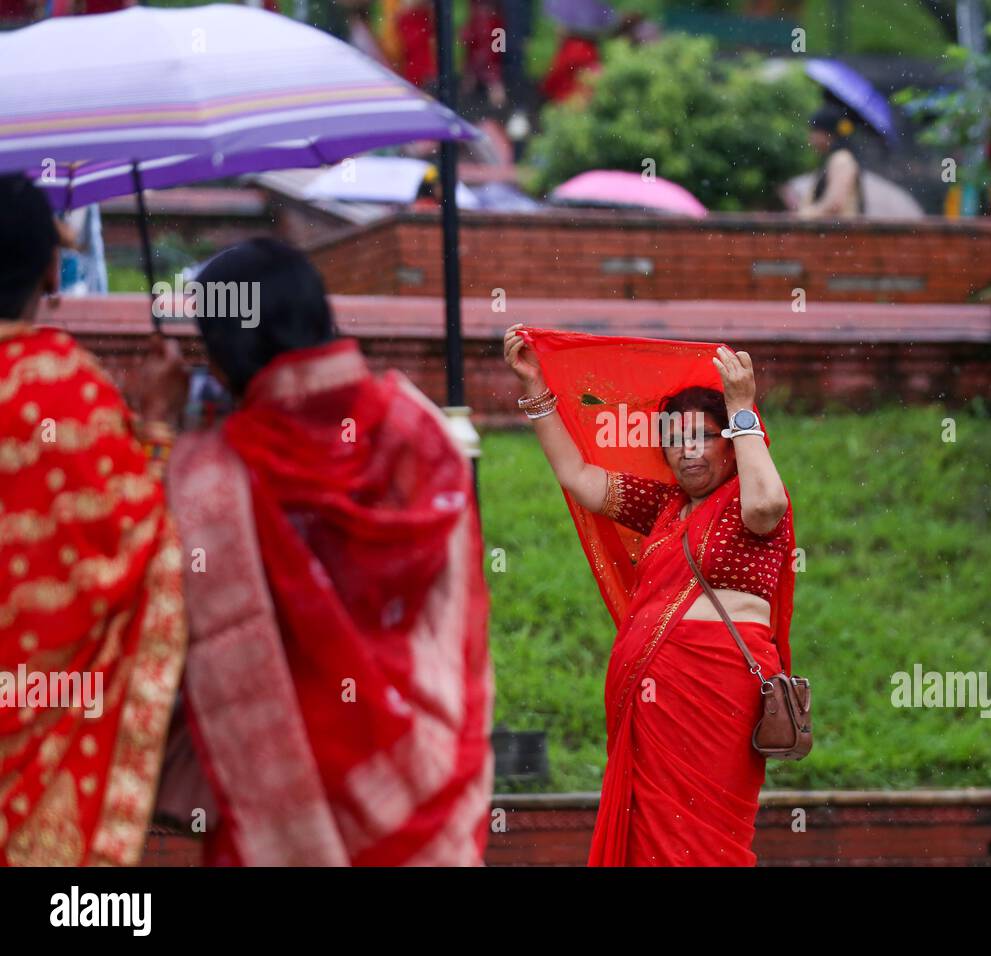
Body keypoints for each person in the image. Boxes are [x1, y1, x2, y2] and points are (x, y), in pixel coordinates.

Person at [152, 239, 494, 865]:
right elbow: (454, 618)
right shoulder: (419, 433)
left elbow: (145, 600)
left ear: (224, 357)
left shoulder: (207, 474)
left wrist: (158, 426)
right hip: (427, 785)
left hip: (276, 808)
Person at [502, 323, 797, 866]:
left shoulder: (750, 497)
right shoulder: (664, 507)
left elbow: (765, 507)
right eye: (675, 439)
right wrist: (535, 390)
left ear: (731, 440)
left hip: (715, 701)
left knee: (706, 843)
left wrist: (743, 409)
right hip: (648, 709)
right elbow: (579, 476)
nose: (686, 453)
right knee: (649, 843)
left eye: (702, 438)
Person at [0, 173, 187, 866]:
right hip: (43, 742)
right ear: (52, 267)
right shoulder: (67, 389)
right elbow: (137, 545)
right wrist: (160, 427)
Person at [798, 103, 865, 219]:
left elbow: (835, 204)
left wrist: (805, 215)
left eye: (814, 131)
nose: (810, 138)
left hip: (842, 234)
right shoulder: (834, 158)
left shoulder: (842, 159)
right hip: (836, 233)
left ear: (827, 133)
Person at [540, 29, 601, 103]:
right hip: (586, 99)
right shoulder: (592, 49)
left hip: (567, 99)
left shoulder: (572, 49)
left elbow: (555, 77)